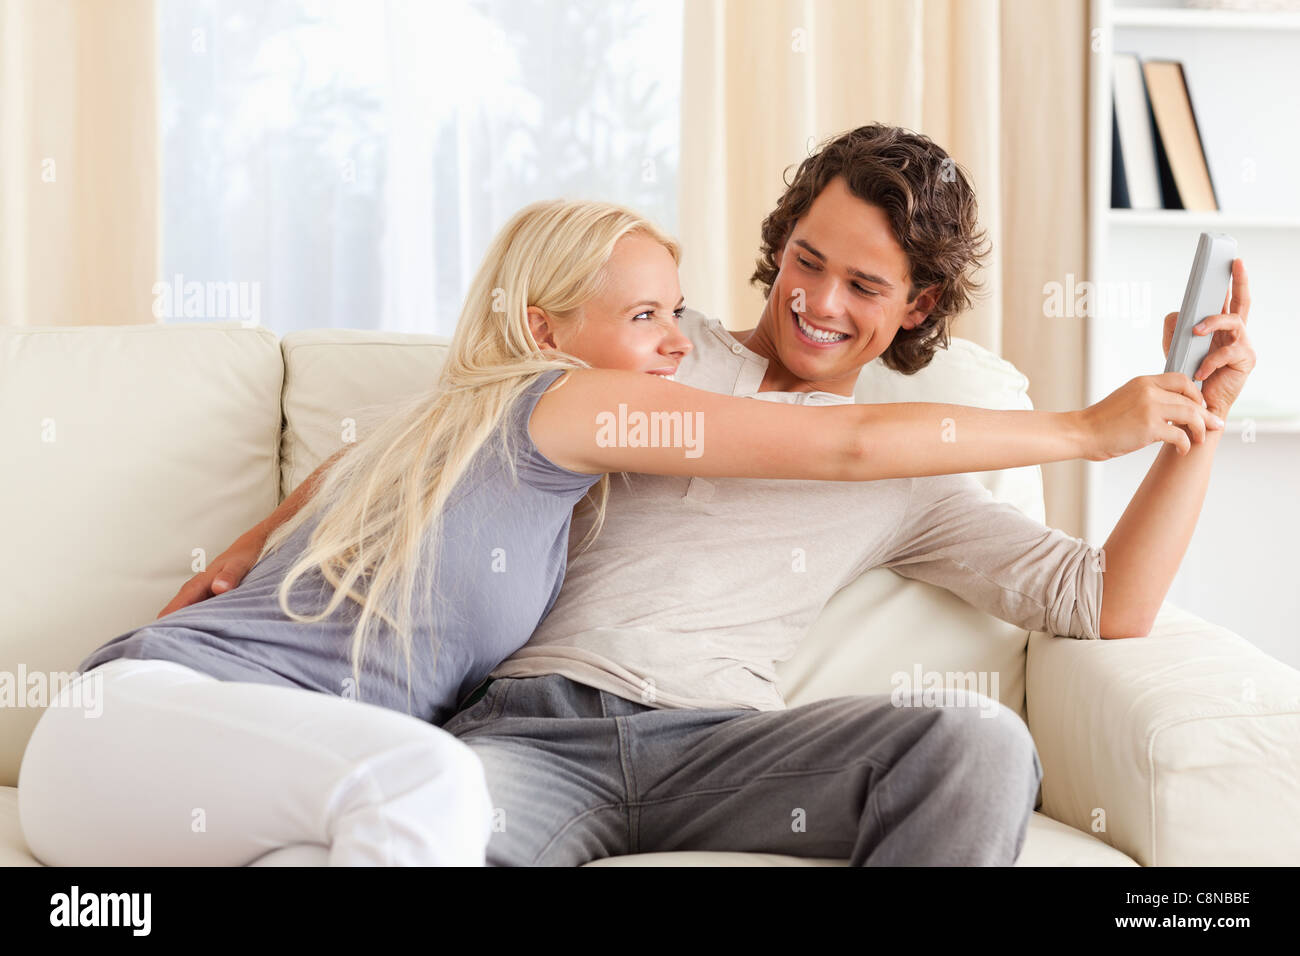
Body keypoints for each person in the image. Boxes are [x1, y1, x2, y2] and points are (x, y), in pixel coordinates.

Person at [17, 195, 1211, 869]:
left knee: (981, 745)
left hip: (719, 745)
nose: (817, 299)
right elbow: (438, 420)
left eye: (863, 285)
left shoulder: (915, 460)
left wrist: (1179, 433)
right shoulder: (643, 358)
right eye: (805, 260)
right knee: (393, 819)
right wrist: (1081, 427)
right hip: (526, 732)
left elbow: (1108, 602)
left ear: (919, 310)